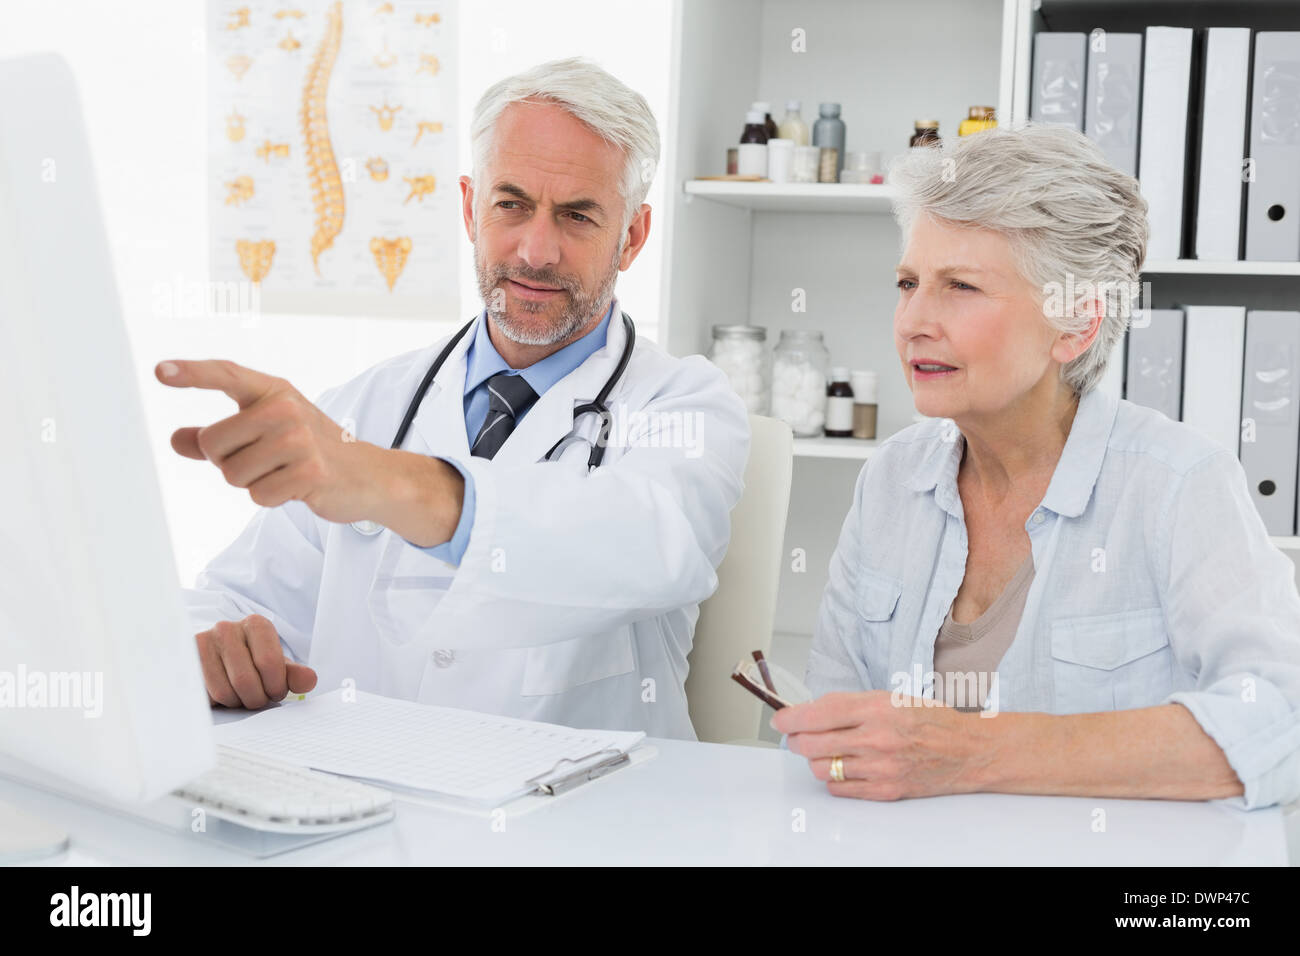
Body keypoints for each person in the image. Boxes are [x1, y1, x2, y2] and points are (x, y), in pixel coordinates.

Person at [161, 58, 749, 739]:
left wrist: (385, 482)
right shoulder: (367, 403)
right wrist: (215, 648)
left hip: (580, 827)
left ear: (633, 237)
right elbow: (237, 599)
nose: (536, 250)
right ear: (471, 208)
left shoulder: (687, 408)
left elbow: (650, 546)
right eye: (512, 204)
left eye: (578, 216)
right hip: (365, 812)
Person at [775, 122, 1300, 809]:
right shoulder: (893, 480)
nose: (914, 321)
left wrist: (970, 754)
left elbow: (1278, 723)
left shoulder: (1177, 484)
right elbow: (835, 721)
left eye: (961, 286)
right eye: (908, 283)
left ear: (1076, 324)